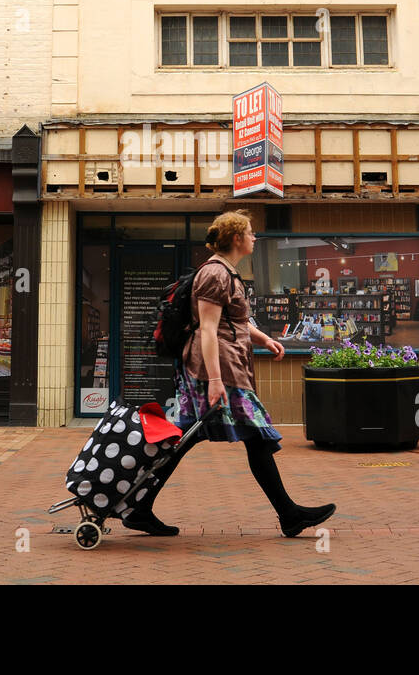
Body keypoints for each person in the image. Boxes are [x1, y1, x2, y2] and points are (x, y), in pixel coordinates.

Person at [122, 209, 337, 539]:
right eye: (250, 232)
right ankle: (289, 514)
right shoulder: (215, 274)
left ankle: (140, 507)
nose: (254, 237)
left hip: (223, 367)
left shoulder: (226, 273)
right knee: (251, 435)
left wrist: (263, 338)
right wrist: (216, 381)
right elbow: (208, 330)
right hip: (216, 370)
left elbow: (232, 322)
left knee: (188, 439)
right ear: (236, 238)